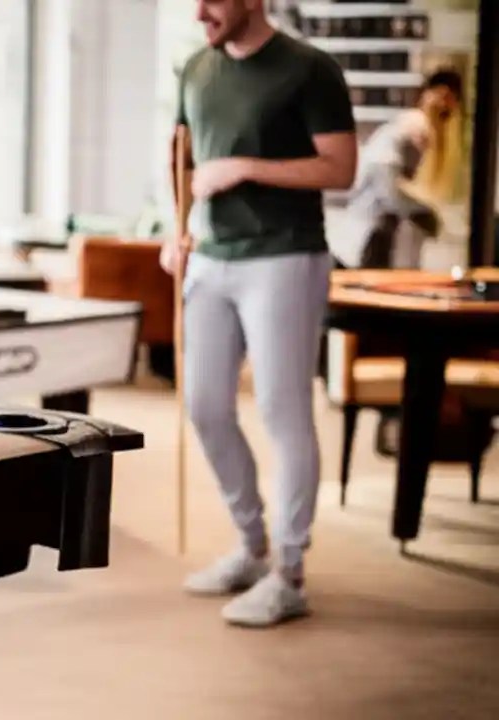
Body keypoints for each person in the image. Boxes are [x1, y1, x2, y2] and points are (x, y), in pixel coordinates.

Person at [161, 0, 357, 627]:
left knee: (281, 409)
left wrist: (245, 167)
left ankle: (289, 573)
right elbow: (183, 159)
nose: (199, 12)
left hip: (285, 258)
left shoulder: (310, 68)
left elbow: (341, 167)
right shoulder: (196, 69)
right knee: (204, 406)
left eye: (213, 0)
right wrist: (176, 229)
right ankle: (252, 546)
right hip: (211, 259)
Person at [331, 69, 465, 269]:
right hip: (369, 225)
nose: (445, 105)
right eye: (443, 97)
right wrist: (421, 212)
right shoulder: (416, 124)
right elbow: (388, 182)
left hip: (371, 225)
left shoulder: (411, 127)